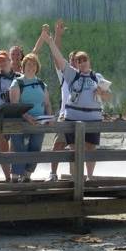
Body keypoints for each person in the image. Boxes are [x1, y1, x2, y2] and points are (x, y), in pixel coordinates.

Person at [42, 25, 112, 180]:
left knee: (91, 148)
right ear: (76, 64)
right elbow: (59, 59)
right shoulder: (72, 75)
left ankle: (90, 177)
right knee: (73, 149)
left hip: (93, 119)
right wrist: (50, 42)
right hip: (72, 118)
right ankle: (76, 178)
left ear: (89, 61)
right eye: (79, 60)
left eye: (84, 59)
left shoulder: (97, 77)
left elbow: (108, 97)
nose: (82, 62)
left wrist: (102, 93)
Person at [9, 53, 53, 182]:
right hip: (20, 120)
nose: (31, 67)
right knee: (19, 148)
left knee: (36, 147)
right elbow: (14, 105)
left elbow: (47, 103)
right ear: (23, 67)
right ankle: (15, 176)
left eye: (34, 64)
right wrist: (26, 116)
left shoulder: (41, 84)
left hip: (39, 121)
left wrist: (49, 117)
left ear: (37, 67)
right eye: (28, 64)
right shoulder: (17, 82)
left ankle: (27, 174)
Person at [0, 50, 21, 181]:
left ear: (9, 61)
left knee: (15, 146)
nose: (1, 63)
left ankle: (15, 175)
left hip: (14, 115)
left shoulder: (18, 77)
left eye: (3, 60)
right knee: (3, 148)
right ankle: (8, 178)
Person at [47, 19, 74, 182]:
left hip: (81, 116)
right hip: (65, 115)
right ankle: (53, 173)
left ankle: (75, 176)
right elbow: (57, 55)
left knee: (77, 148)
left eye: (76, 60)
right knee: (58, 145)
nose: (72, 62)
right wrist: (58, 34)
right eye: (70, 59)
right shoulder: (64, 74)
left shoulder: (85, 76)